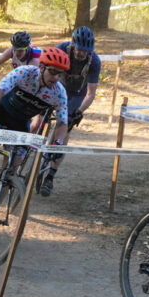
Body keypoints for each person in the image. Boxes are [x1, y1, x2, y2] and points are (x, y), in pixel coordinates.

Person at [36, 26, 102, 196]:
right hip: (56, 87)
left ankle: (50, 175)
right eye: (79, 49)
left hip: (75, 96)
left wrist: (78, 111)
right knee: (37, 120)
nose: (82, 53)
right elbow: (43, 72)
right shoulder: (61, 48)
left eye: (85, 51)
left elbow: (91, 92)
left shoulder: (94, 61)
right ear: (73, 44)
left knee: (64, 130)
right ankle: (23, 149)